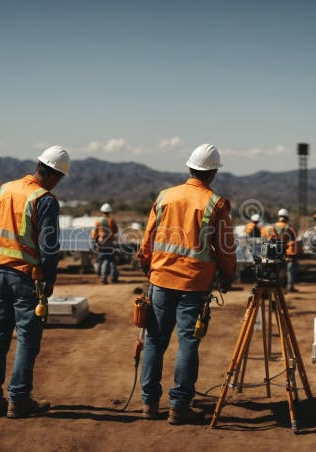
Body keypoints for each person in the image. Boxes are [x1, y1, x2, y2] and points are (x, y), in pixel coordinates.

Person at [137, 143, 236, 425]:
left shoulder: (165, 196)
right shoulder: (216, 203)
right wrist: (228, 275)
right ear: (213, 173)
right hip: (194, 284)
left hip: (161, 279)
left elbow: (148, 238)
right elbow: (226, 247)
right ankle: (179, 407)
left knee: (154, 341)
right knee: (188, 343)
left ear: (190, 168)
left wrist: (147, 264)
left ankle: (149, 403)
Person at [0, 145, 69, 419]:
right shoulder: (45, 199)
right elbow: (49, 248)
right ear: (55, 176)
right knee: (27, 340)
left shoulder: (5, 189)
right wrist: (48, 281)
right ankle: (18, 400)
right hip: (27, 278)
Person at [261, 209, 299, 292]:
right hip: (286, 254)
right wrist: (290, 255)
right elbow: (292, 243)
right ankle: (288, 287)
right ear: (287, 218)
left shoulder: (270, 228)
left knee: (274, 271)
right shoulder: (289, 229)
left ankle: (272, 288)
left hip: (272, 254)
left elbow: (265, 239)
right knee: (288, 271)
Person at [91, 202, 119, 284]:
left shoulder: (98, 220)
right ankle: (113, 278)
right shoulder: (111, 220)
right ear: (109, 211)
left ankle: (103, 278)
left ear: (102, 211)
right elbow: (115, 231)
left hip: (101, 242)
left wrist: (95, 242)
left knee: (104, 259)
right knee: (111, 260)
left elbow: (95, 232)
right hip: (109, 242)